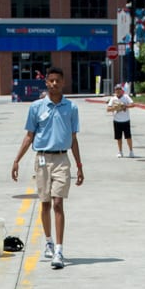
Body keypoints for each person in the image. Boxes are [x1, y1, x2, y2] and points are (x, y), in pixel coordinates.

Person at [11, 67, 84, 270]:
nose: (54, 84)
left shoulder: (71, 108)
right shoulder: (36, 107)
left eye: (57, 81)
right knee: (45, 204)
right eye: (51, 81)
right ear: (46, 83)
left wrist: (79, 165)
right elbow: (29, 136)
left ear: (63, 83)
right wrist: (17, 160)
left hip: (62, 159)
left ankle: (59, 250)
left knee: (58, 203)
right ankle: (49, 241)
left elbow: (74, 139)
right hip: (42, 159)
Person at [106, 85, 134, 158]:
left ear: (122, 90)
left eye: (119, 89)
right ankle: (120, 151)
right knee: (118, 138)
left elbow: (133, 104)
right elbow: (108, 109)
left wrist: (125, 106)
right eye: (116, 89)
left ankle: (131, 151)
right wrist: (115, 108)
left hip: (126, 120)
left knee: (128, 137)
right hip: (117, 121)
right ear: (115, 91)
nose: (118, 91)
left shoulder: (126, 97)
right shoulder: (113, 99)